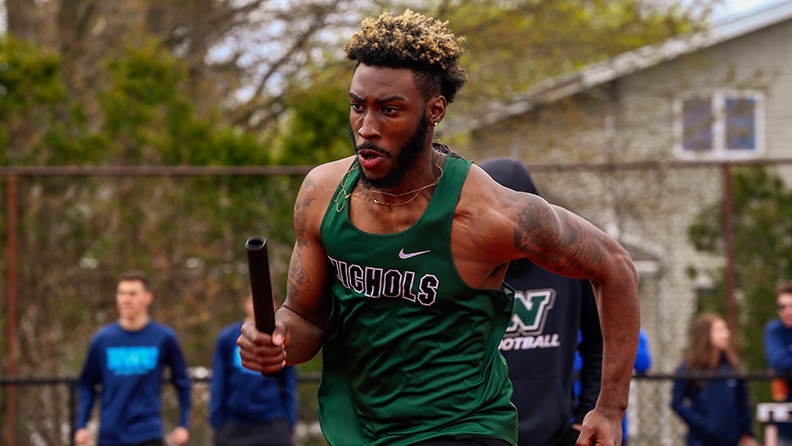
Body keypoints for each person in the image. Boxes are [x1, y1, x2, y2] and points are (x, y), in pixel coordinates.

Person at [237, 9, 640, 446]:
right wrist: (275, 340)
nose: (366, 128)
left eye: (389, 110)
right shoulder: (322, 194)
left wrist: (609, 408)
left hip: (462, 429)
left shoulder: (489, 213)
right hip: (358, 431)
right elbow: (305, 318)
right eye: (357, 107)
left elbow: (615, 266)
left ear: (434, 111)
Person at [480, 158, 604, 446]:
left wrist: (585, 414)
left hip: (556, 434)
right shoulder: (466, 266)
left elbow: (600, 340)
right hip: (481, 434)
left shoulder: (569, 264)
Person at [75, 270, 191, 446]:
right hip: (110, 434)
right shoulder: (102, 339)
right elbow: (87, 384)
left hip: (148, 433)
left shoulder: (163, 337)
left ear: (147, 298)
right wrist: (81, 425)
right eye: (121, 293)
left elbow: (182, 382)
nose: (126, 299)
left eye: (133, 294)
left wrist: (183, 424)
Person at [209, 294, 298, 446]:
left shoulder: (281, 337)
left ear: (275, 305)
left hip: (273, 424)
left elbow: (289, 384)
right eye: (254, 300)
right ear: (245, 304)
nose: (259, 306)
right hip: (233, 425)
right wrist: (217, 420)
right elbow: (218, 381)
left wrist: (288, 421)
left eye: (267, 301)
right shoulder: (227, 336)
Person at [671, 313, 759, 446]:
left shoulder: (732, 367)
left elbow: (742, 403)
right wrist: (703, 424)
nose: (727, 334)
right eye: (720, 330)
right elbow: (677, 402)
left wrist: (747, 434)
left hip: (732, 441)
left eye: (726, 329)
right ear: (705, 334)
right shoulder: (689, 369)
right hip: (700, 441)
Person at [764, 280, 792, 446]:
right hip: (787, 424)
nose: (787, 311)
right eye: (782, 306)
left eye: (791, 305)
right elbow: (777, 362)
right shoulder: (773, 330)